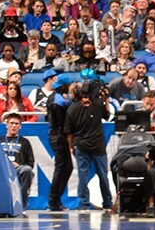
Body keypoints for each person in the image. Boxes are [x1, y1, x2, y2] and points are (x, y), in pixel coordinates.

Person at [65, 79, 112, 211]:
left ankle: (83, 203)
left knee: (83, 176)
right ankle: (107, 203)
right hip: (98, 145)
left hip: (81, 145)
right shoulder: (98, 104)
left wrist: (71, 147)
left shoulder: (72, 108)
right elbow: (107, 116)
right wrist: (106, 99)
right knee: (103, 175)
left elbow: (69, 133)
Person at [46, 78, 72, 211]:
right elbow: (63, 123)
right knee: (61, 168)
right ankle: (53, 201)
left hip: (55, 135)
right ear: (63, 86)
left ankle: (56, 199)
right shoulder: (60, 101)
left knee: (67, 168)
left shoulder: (53, 98)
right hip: (59, 137)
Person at [0, 112, 35, 207]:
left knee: (27, 170)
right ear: (6, 125)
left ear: (20, 126)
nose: (14, 126)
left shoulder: (25, 142)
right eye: (11, 123)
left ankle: (21, 204)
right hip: (2, 169)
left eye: (16, 124)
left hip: (18, 169)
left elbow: (30, 162)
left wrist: (19, 165)